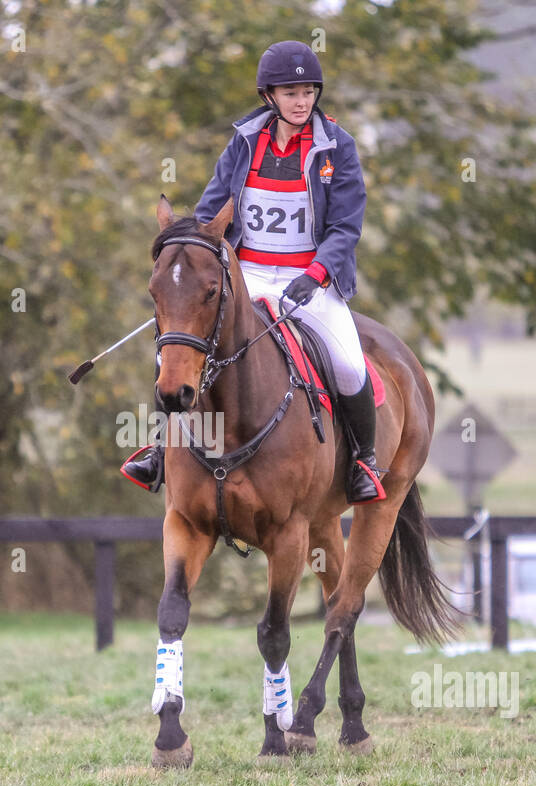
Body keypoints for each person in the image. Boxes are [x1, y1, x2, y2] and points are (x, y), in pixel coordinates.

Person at [122, 40, 385, 504]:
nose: (301, 101)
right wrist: (192, 257)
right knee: (174, 353)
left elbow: (345, 226)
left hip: (310, 278)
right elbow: (210, 212)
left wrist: (318, 272)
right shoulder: (244, 141)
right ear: (269, 96)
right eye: (290, 93)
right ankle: (161, 449)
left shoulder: (337, 147)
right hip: (248, 273)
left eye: (308, 92)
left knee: (347, 362)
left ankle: (364, 460)